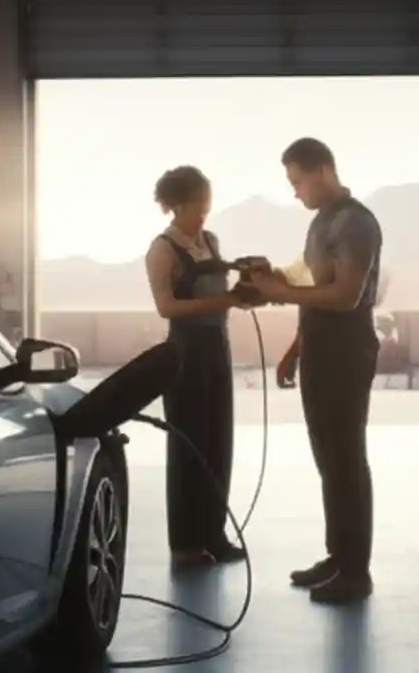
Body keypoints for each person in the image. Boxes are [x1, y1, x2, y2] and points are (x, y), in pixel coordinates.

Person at [245, 138, 382, 604]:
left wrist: (277, 294)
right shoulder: (320, 224)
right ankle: (338, 557)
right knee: (328, 459)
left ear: (322, 170)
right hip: (321, 351)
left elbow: (344, 296)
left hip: (347, 354)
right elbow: (309, 284)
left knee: (345, 459)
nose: (295, 192)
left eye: (297, 181)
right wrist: (294, 343)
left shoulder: (357, 224)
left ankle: (355, 572)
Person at [144, 165, 248, 567]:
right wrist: (224, 302)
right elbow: (166, 306)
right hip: (185, 350)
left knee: (219, 441)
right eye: (195, 205)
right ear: (175, 204)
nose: (203, 212)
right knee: (189, 443)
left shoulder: (211, 240)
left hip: (218, 346)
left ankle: (214, 535)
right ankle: (185, 543)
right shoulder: (162, 249)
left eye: (206, 204)